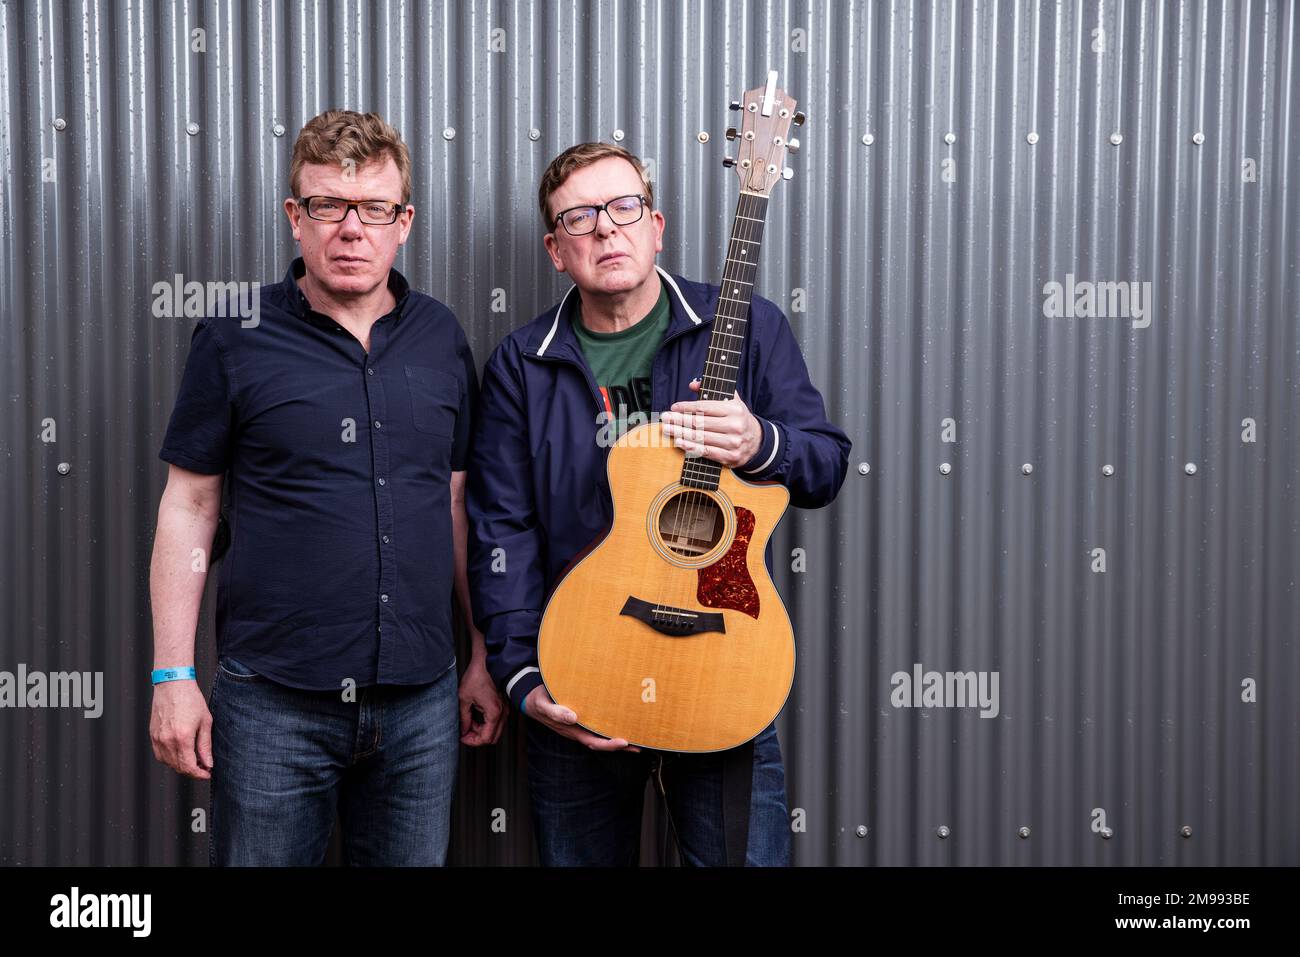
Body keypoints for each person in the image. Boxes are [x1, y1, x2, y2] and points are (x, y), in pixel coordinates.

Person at [467, 142, 851, 865]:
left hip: (724, 664)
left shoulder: (746, 326)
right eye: (579, 218)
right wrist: (522, 677)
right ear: (555, 250)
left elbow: (826, 464)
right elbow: (501, 530)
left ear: (656, 224)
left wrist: (761, 440)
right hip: (582, 674)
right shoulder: (523, 364)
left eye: (623, 207)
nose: (606, 230)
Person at [148, 109, 505, 866]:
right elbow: (190, 505)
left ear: (403, 221)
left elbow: (455, 503)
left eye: (374, 208)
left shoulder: (441, 338)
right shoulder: (232, 336)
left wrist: (480, 651)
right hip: (274, 703)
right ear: (294, 217)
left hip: (421, 701)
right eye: (327, 206)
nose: (352, 230)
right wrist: (173, 674)